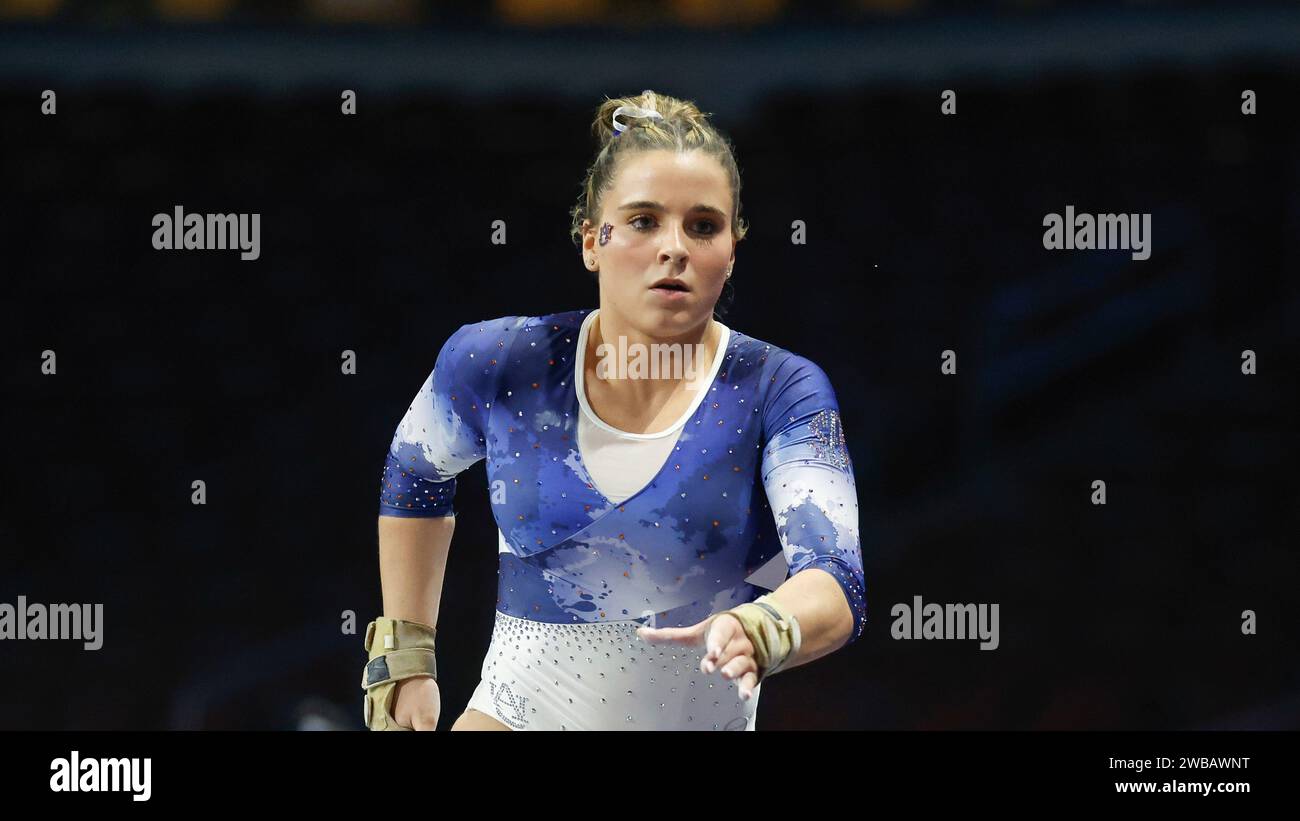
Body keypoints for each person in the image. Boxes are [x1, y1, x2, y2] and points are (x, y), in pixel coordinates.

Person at [363, 90, 865, 731]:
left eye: (703, 226)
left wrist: (764, 626)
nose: (674, 247)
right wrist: (406, 653)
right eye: (643, 221)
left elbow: (836, 579)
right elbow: (414, 473)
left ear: (732, 251)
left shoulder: (778, 390)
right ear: (591, 241)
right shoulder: (500, 362)